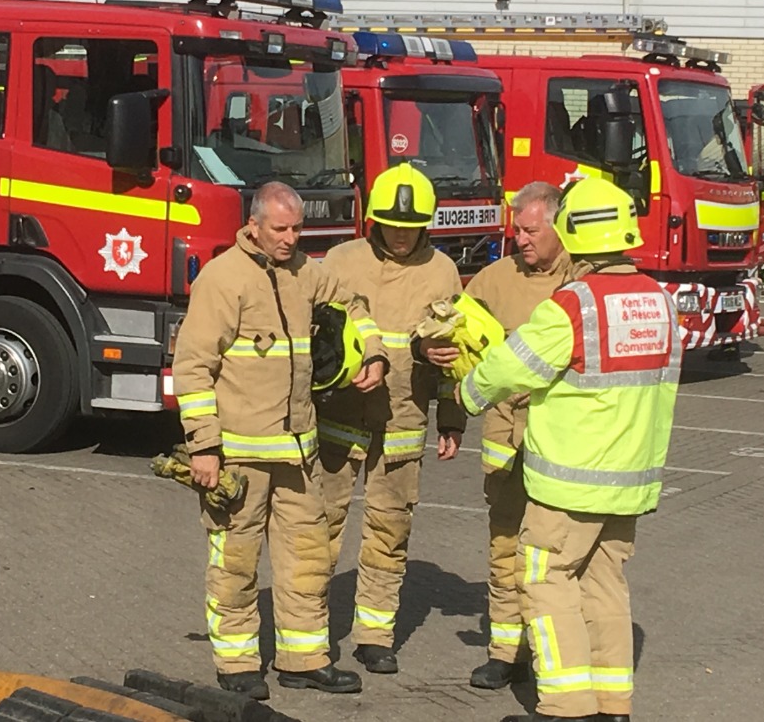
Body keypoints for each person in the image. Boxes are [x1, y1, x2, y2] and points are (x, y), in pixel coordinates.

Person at [457, 178, 681, 722]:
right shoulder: (660, 300)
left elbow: (512, 367)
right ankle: (611, 705)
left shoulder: (573, 305)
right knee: (604, 585)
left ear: (574, 233)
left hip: (569, 482)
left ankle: (562, 707)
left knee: (545, 582)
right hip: (630, 482)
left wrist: (468, 390)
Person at [173, 181, 388, 699]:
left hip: (297, 453)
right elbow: (193, 366)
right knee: (236, 563)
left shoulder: (303, 274)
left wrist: (374, 351)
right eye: (281, 229)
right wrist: (204, 446)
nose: (291, 238)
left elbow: (352, 301)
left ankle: (303, 658)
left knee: (307, 558)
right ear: (253, 225)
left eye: (297, 229)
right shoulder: (224, 279)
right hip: (239, 457)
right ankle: (237, 664)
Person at [314, 163, 466, 675]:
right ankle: (308, 630)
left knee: (390, 529)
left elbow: (451, 351)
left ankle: (375, 634)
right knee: (320, 527)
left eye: (411, 226)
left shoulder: (443, 271)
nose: (401, 236)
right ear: (373, 220)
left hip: (404, 421)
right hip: (339, 416)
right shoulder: (340, 261)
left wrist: (452, 416)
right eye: (391, 225)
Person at [438, 182, 575, 690]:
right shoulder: (494, 280)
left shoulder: (581, 280)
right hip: (505, 440)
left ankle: (552, 652)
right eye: (516, 229)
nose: (520, 239)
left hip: (564, 446)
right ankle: (504, 649)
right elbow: (452, 339)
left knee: (556, 555)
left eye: (531, 230)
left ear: (558, 227)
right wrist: (449, 412)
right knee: (504, 545)